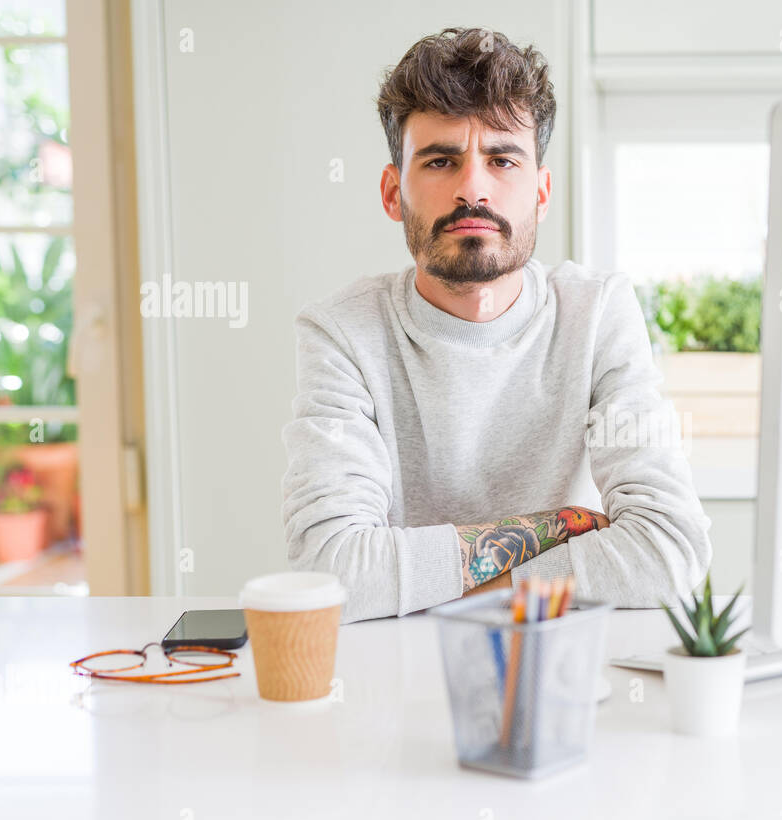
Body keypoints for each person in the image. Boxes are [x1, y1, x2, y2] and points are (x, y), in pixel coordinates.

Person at [280, 26, 712, 623]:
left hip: (561, 666)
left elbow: (671, 553)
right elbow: (331, 569)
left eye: (502, 159)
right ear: (392, 192)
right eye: (440, 161)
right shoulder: (342, 334)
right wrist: (554, 530)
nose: (473, 189)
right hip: (403, 678)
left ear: (540, 192)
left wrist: (428, 581)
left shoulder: (598, 312)